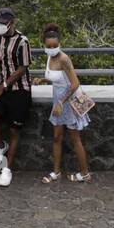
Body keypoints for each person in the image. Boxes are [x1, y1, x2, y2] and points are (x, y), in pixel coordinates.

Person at [34, 24, 92, 183]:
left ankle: (85, 174)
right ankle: (56, 172)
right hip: (59, 101)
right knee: (57, 137)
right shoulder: (49, 58)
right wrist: (43, 80)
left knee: (75, 139)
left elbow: (74, 83)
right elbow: (58, 79)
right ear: (44, 45)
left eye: (55, 45)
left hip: (69, 101)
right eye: (49, 46)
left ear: (60, 43)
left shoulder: (64, 59)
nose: (52, 48)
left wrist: (61, 102)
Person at [0, 7, 32, 187]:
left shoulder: (22, 41)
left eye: (3, 24)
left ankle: (7, 169)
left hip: (19, 89)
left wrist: (3, 86)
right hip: (2, 84)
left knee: (14, 131)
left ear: (12, 23)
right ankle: (0, 145)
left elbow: (23, 69)